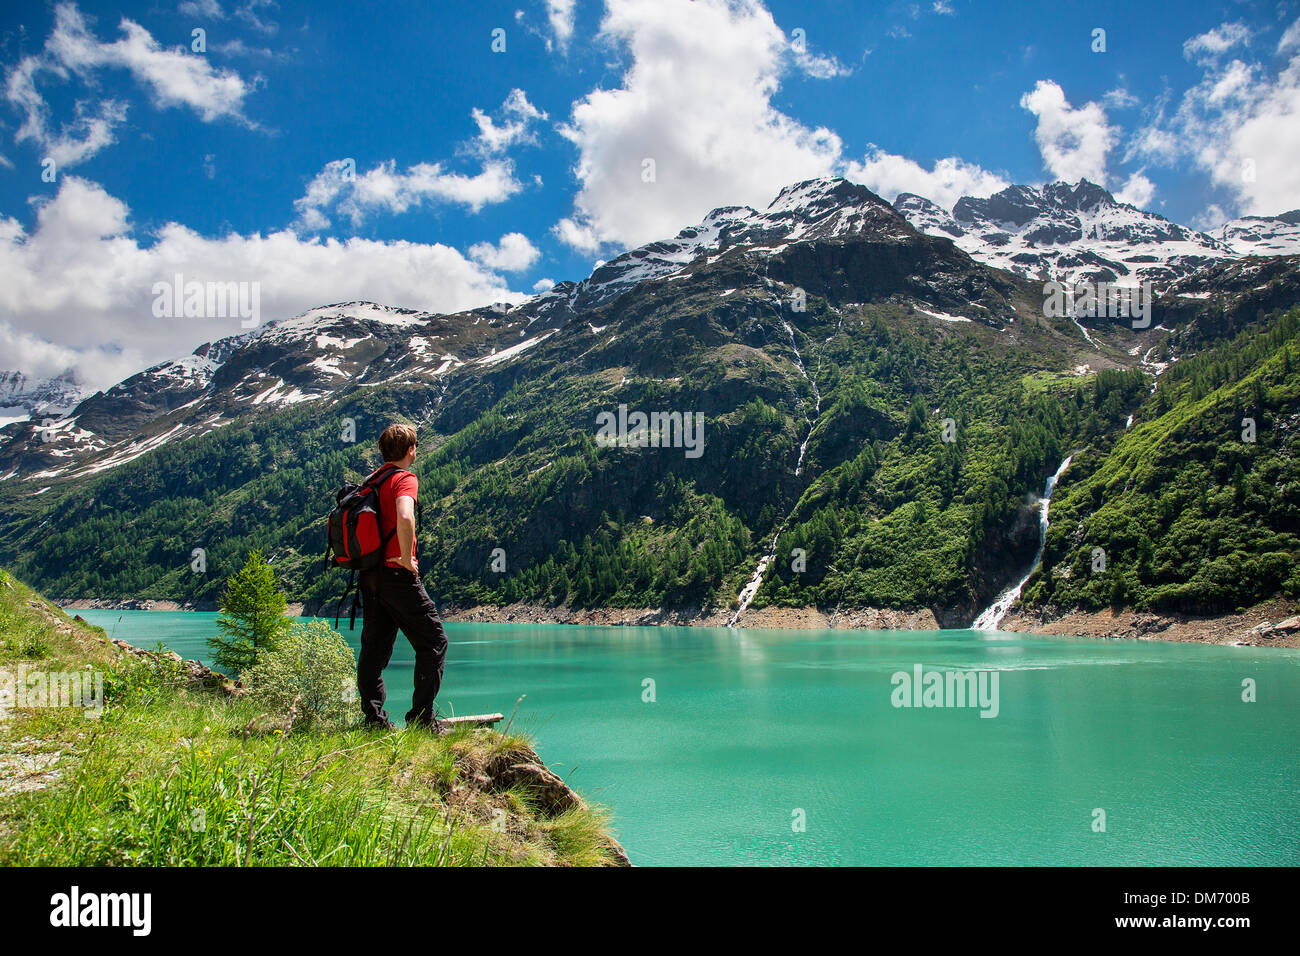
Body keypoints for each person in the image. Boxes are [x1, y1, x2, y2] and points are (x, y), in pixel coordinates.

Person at [356, 423, 449, 732]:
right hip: (397, 573)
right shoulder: (403, 478)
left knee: (374, 650)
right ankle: (421, 720)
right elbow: (405, 515)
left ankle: (374, 721)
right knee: (433, 641)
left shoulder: (373, 480)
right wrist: (408, 558)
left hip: (370, 575)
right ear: (411, 450)